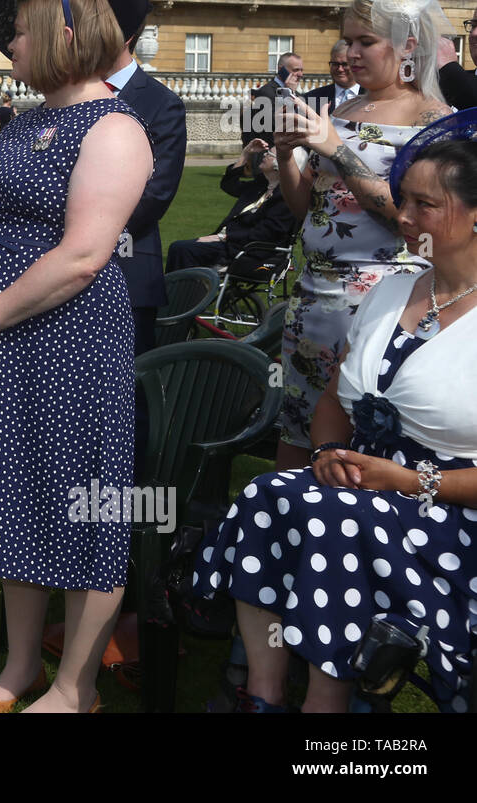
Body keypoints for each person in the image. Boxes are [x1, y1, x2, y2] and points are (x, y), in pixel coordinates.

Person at [192, 122, 477, 713]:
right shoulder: (392, 289)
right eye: (405, 199)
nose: (404, 218)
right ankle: (264, 693)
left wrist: (405, 481)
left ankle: (328, 707)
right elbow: (332, 402)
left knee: (330, 520)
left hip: (452, 514)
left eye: (427, 205)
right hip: (362, 484)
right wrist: (325, 454)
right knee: (269, 493)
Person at [0, 0, 154, 713]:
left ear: (68, 34)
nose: (10, 47)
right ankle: (19, 665)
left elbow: (83, 256)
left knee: (81, 505)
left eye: (20, 33)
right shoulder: (25, 122)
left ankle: (76, 685)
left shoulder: (115, 129)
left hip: (67, 344)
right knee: (16, 496)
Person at [271, 0, 453, 472]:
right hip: (313, 296)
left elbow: (415, 225)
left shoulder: (432, 122)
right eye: (347, 40)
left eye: (364, 42)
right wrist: (288, 157)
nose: (348, 54)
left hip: (383, 298)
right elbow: (307, 207)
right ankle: (282, 537)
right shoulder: (346, 111)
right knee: (298, 427)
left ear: (407, 46)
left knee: (359, 441)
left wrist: (337, 150)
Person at [107, 27, 187, 360]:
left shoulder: (161, 103)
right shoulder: (68, 97)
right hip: (57, 271)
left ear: (124, 37)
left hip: (128, 270)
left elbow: (157, 193)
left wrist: (85, 237)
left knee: (129, 392)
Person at [165, 142, 296, 272]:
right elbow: (229, 185)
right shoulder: (261, 185)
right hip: (232, 245)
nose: (264, 155)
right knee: (182, 249)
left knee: (181, 250)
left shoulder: (285, 198)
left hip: (247, 252)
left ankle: (179, 291)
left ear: (280, 164)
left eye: (269, 154)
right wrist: (245, 154)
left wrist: (224, 237)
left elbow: (266, 234)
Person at [247, 51, 305, 147]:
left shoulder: (297, 95)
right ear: (281, 70)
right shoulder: (265, 92)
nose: (300, 74)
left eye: (301, 70)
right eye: (296, 70)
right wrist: (288, 95)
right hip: (273, 152)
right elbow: (277, 125)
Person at [302, 40, 360, 116]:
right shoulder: (312, 99)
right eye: (335, 64)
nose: (340, 69)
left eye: (345, 64)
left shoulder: (372, 97)